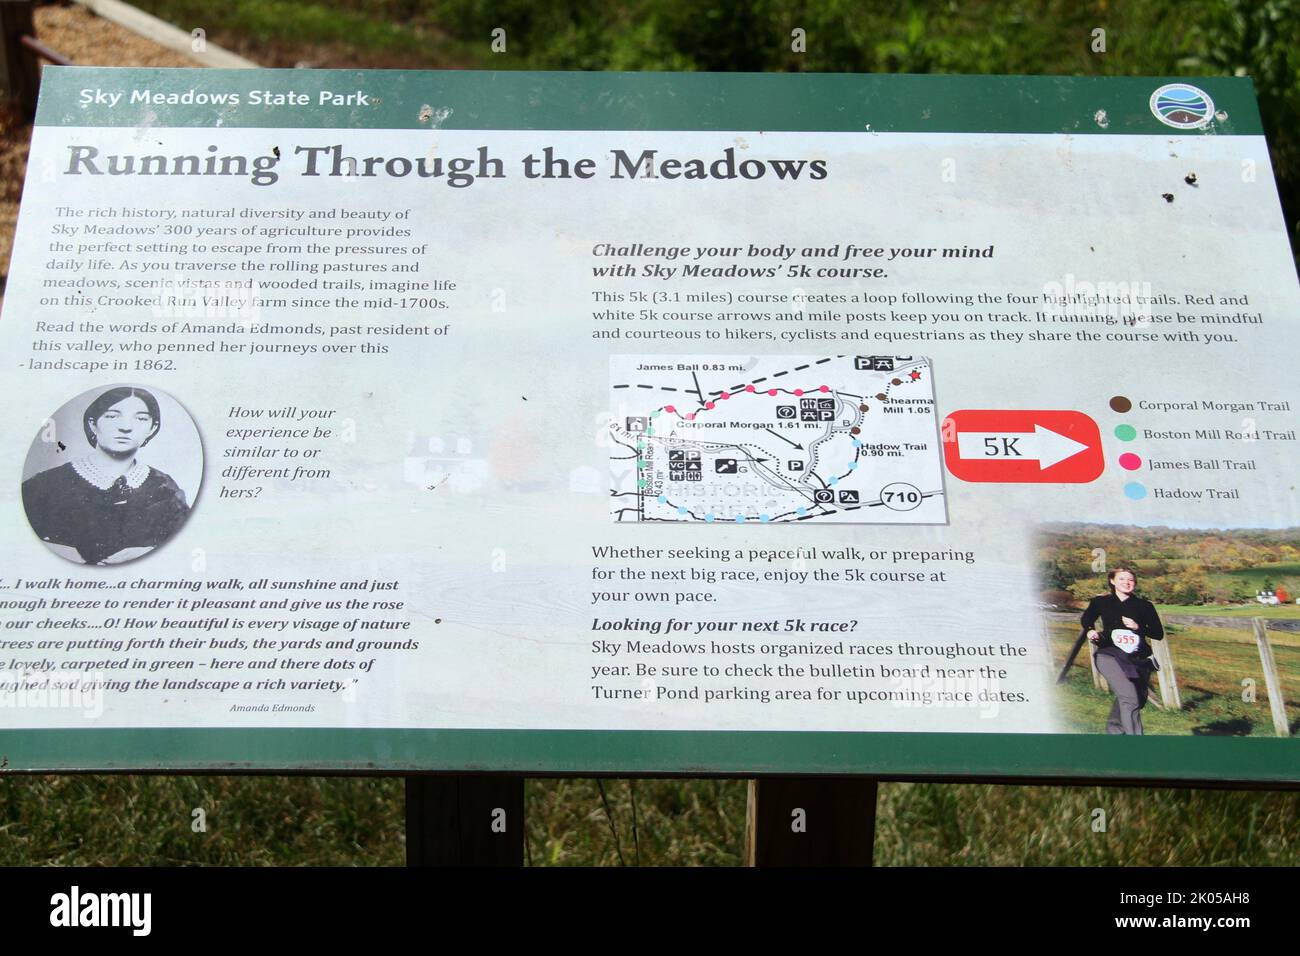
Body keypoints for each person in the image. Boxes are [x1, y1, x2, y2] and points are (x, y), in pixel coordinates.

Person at [22, 386, 191, 564]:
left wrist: (147, 553)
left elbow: (183, 547)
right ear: (92, 424)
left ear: (152, 428)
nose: (126, 427)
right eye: (112, 416)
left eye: (140, 418)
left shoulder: (165, 488)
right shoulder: (47, 485)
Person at [1079, 567, 1165, 735]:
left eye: (1130, 580)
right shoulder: (1101, 602)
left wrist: (1138, 626)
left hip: (1139, 659)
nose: (1127, 583)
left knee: (1137, 699)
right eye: (1122, 579)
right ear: (1112, 581)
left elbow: (1158, 633)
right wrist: (1090, 630)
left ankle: (1114, 733)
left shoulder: (1144, 606)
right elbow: (1087, 617)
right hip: (1110, 655)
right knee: (1130, 699)